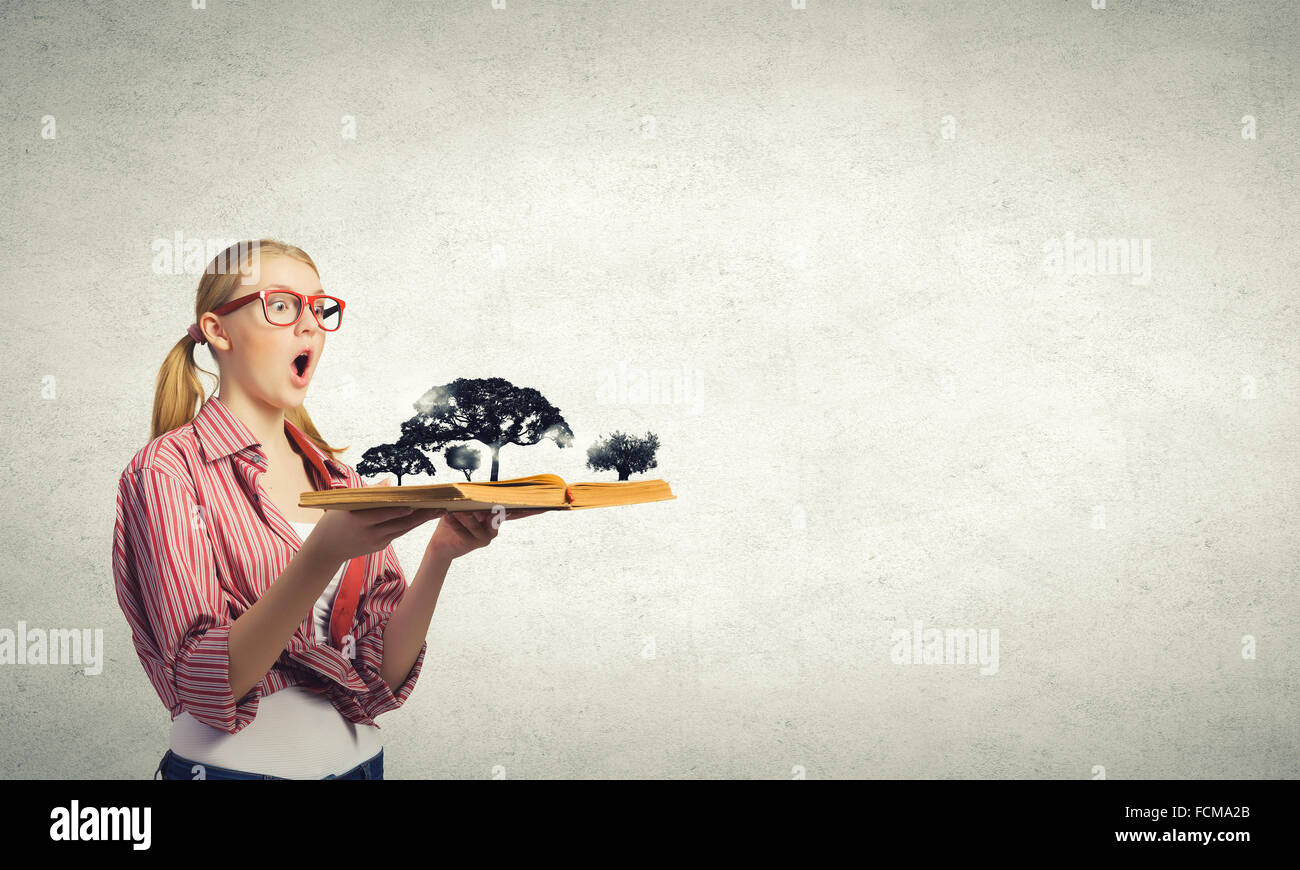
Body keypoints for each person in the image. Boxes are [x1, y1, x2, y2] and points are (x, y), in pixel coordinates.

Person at [112, 239, 543, 779]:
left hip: (363, 768)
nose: (310, 324)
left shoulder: (342, 481)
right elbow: (208, 682)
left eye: (318, 307)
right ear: (218, 331)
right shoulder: (166, 471)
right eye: (283, 305)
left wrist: (441, 554)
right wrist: (321, 555)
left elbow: (381, 674)